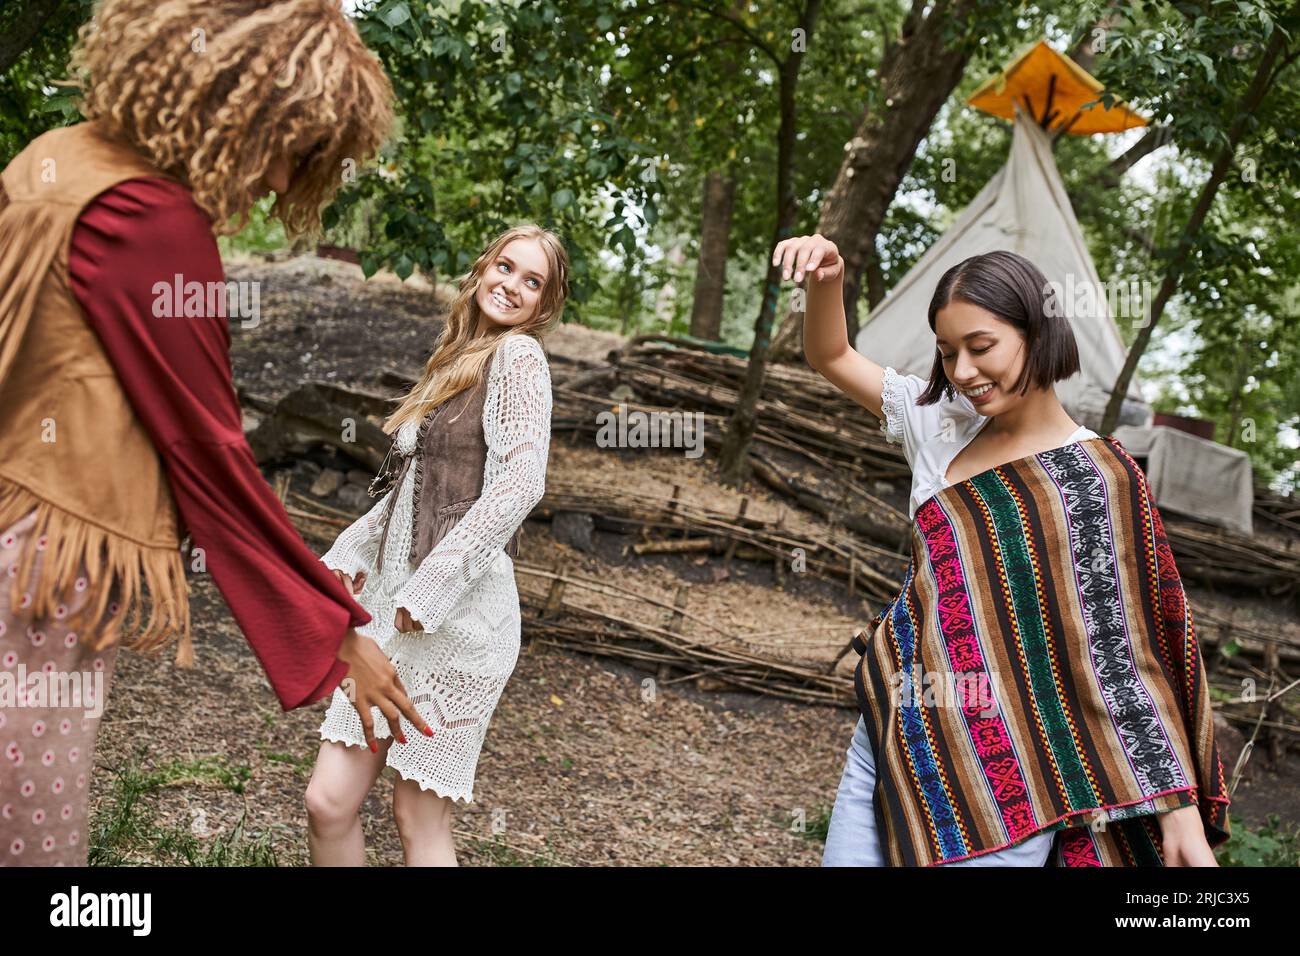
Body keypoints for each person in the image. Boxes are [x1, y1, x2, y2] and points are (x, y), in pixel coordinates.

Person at [0, 0, 426, 866]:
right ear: (242, 99)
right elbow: (208, 451)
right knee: (33, 846)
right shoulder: (148, 218)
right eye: (291, 148)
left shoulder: (56, 158)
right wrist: (340, 630)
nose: (278, 182)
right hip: (47, 563)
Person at [782, 235, 1230, 867]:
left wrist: (1177, 809)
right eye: (947, 351)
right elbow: (829, 352)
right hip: (893, 740)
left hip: (1011, 780)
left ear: (1038, 332)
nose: (962, 371)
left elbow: (1123, 650)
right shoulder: (936, 425)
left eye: (981, 347)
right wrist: (828, 275)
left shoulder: (1098, 476)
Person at [305, 225, 567, 867]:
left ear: (544, 304)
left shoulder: (518, 359)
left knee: (416, 815)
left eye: (532, 281)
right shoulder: (457, 360)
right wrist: (345, 560)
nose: (512, 285)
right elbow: (403, 497)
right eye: (506, 267)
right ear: (483, 269)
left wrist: (432, 587)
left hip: (461, 625)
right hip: (394, 617)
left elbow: (518, 486)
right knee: (328, 803)